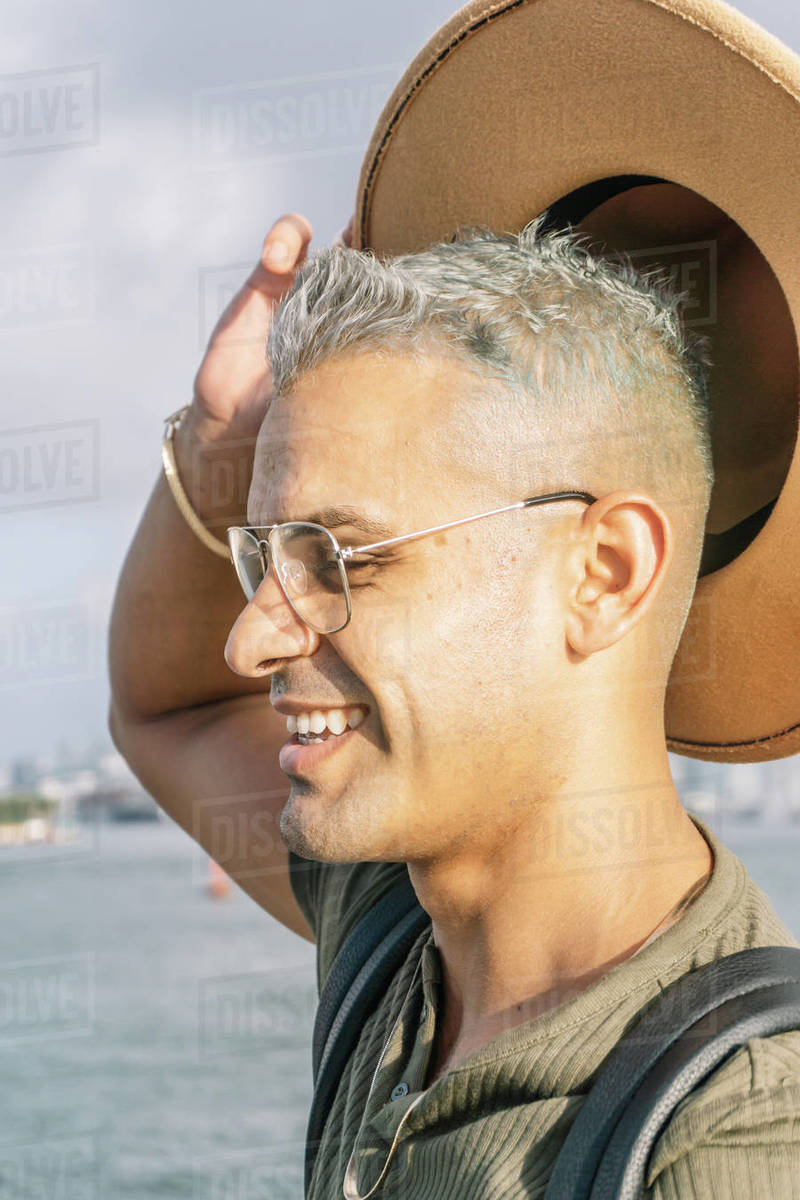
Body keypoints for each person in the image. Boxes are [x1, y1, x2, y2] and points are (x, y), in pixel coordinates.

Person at [108, 211, 800, 1198]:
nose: (250, 636)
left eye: (343, 557)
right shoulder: (395, 937)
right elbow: (171, 704)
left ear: (601, 574)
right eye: (262, 555)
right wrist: (220, 441)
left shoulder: (739, 1136)